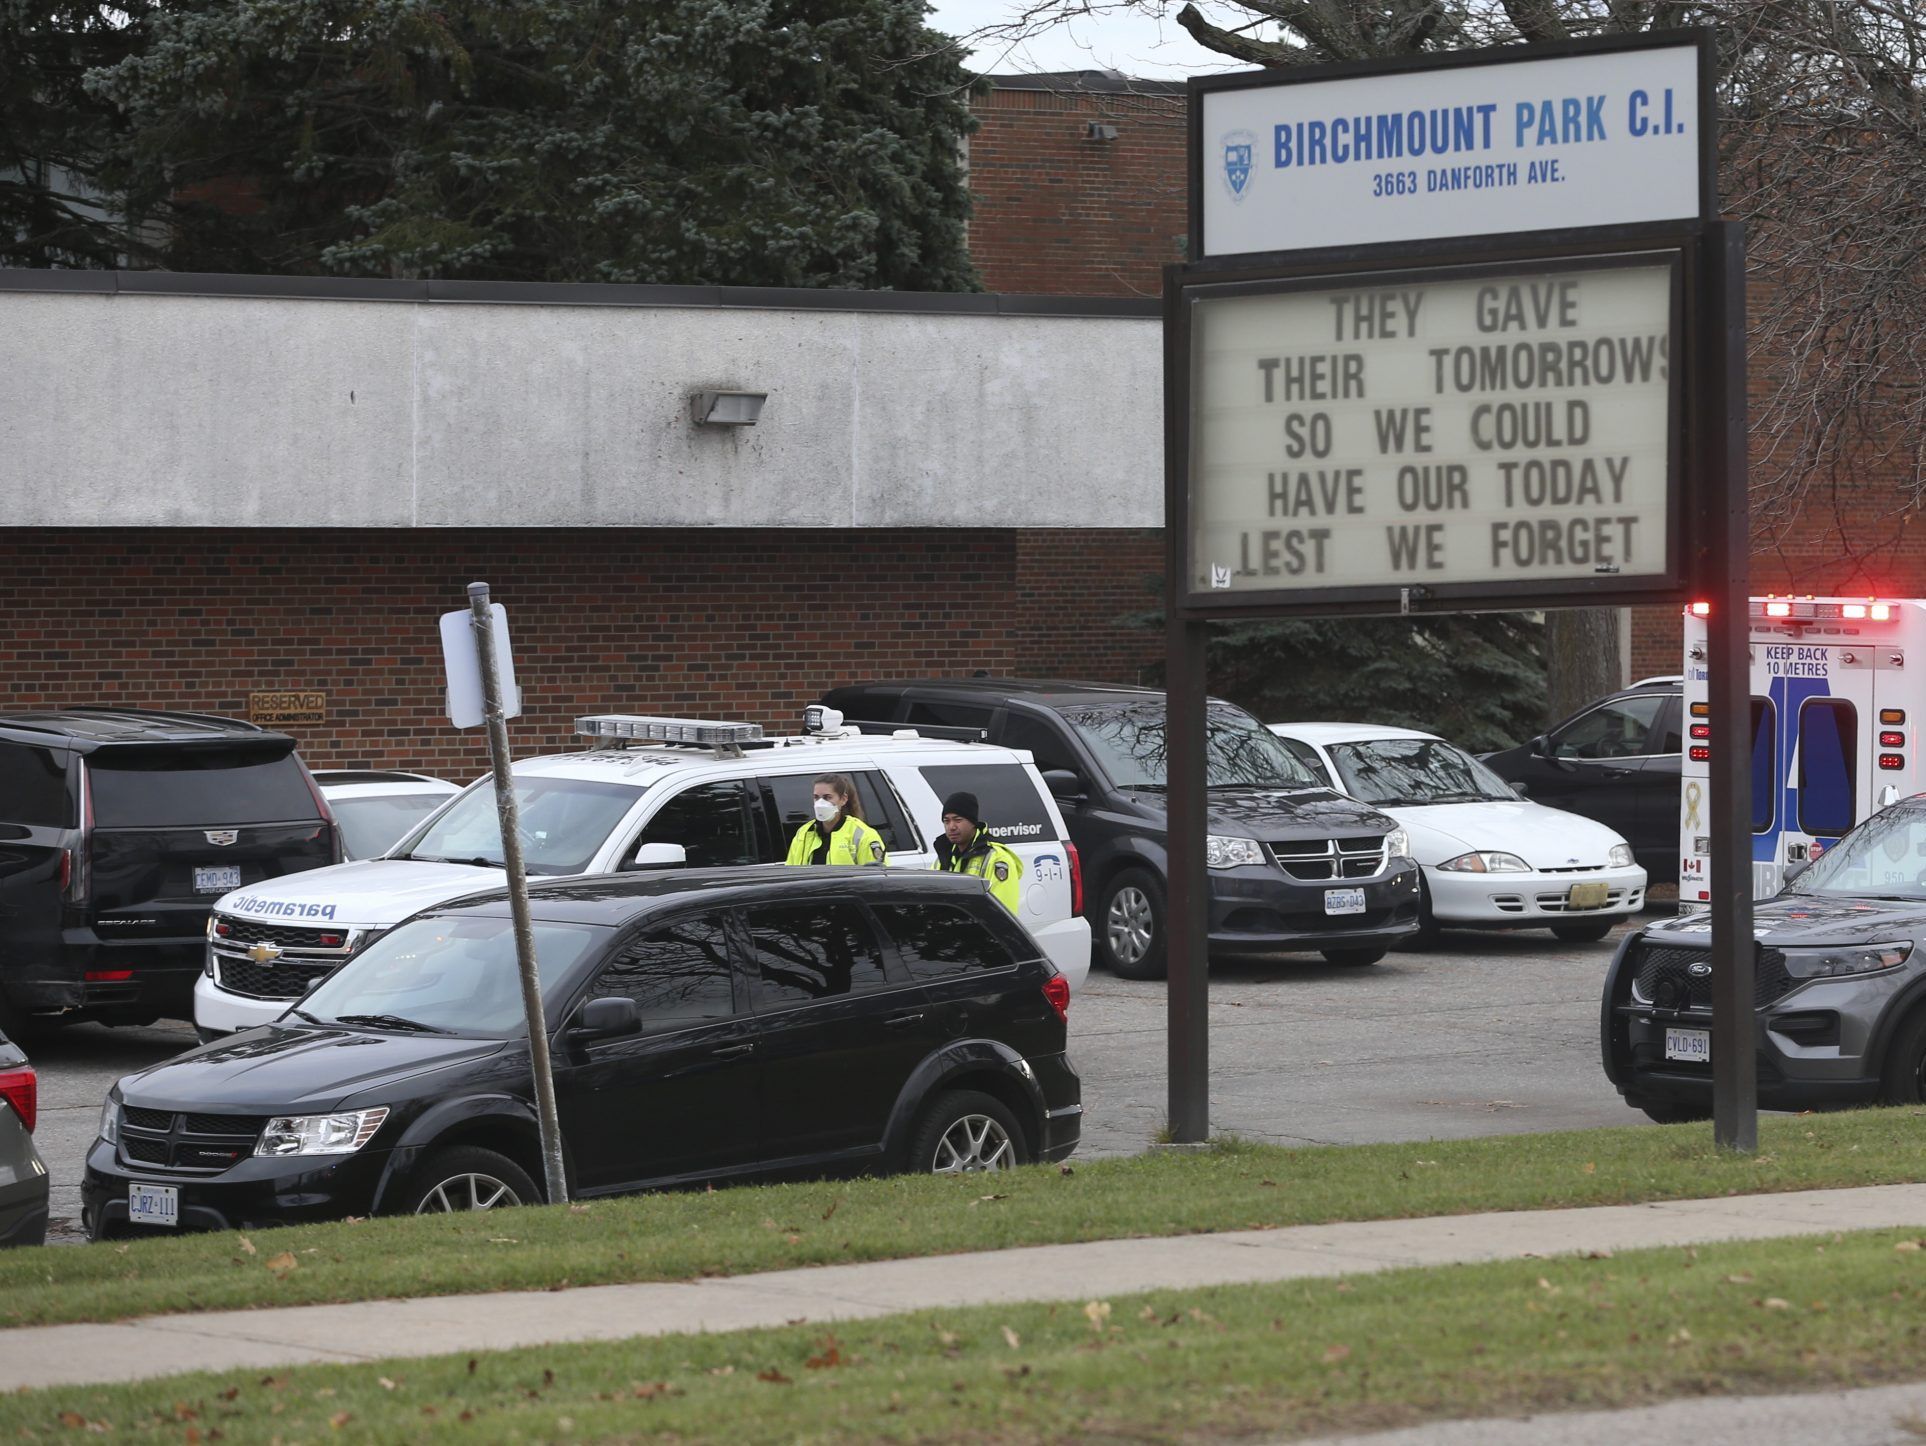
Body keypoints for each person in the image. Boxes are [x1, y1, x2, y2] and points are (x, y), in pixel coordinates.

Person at [931, 790, 1022, 915]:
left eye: (958, 820)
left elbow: (1003, 914)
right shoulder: (942, 859)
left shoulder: (997, 859)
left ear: (973, 822)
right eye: (946, 821)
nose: (951, 826)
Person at [784, 773, 887, 866]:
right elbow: (789, 872)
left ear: (843, 799)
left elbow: (877, 878)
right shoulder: (804, 833)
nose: (820, 803)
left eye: (827, 797)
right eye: (816, 797)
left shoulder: (863, 835)